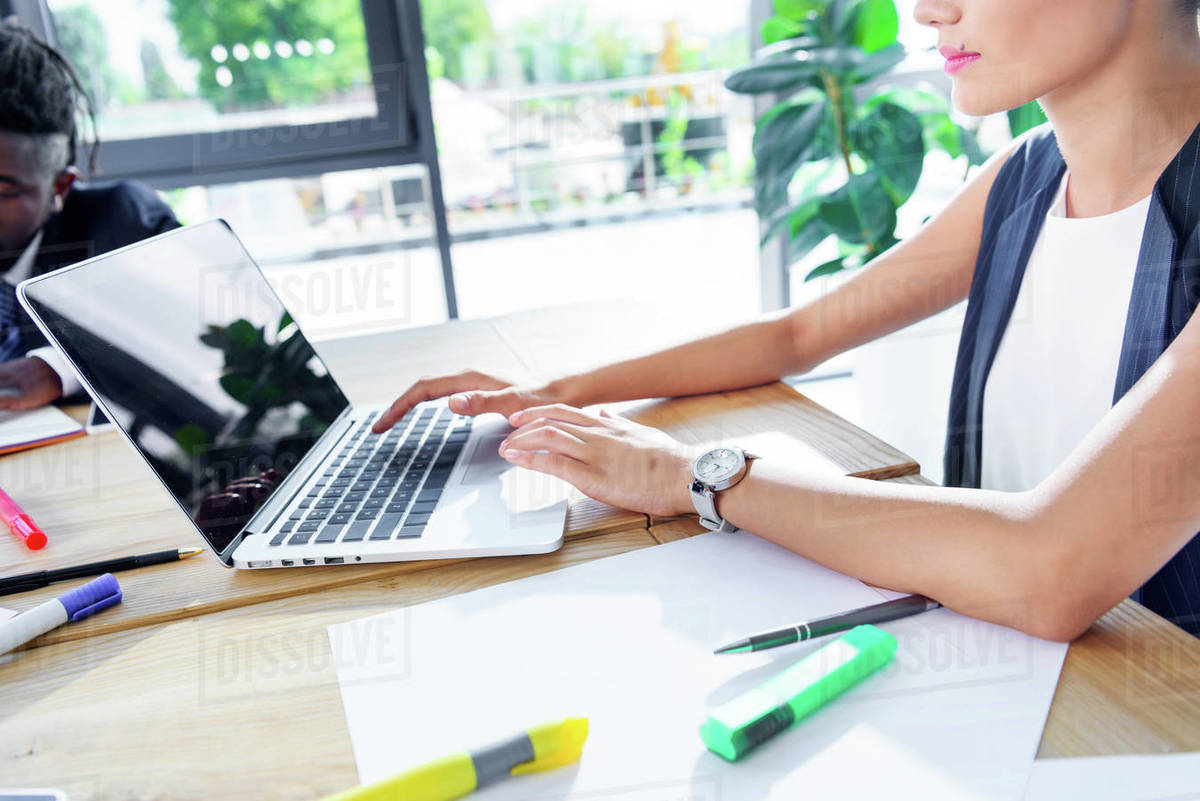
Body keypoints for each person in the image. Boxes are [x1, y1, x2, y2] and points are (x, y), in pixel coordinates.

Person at [373, 0, 1200, 641]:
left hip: (1155, 712)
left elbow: (1047, 569)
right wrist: (557, 390)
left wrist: (693, 476)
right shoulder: (1025, 179)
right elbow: (798, 334)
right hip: (1030, 672)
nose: (924, 10)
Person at [0, 19, 179, 412]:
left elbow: (194, 335)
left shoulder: (123, 223)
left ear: (59, 188)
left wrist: (56, 369)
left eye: (3, 190)